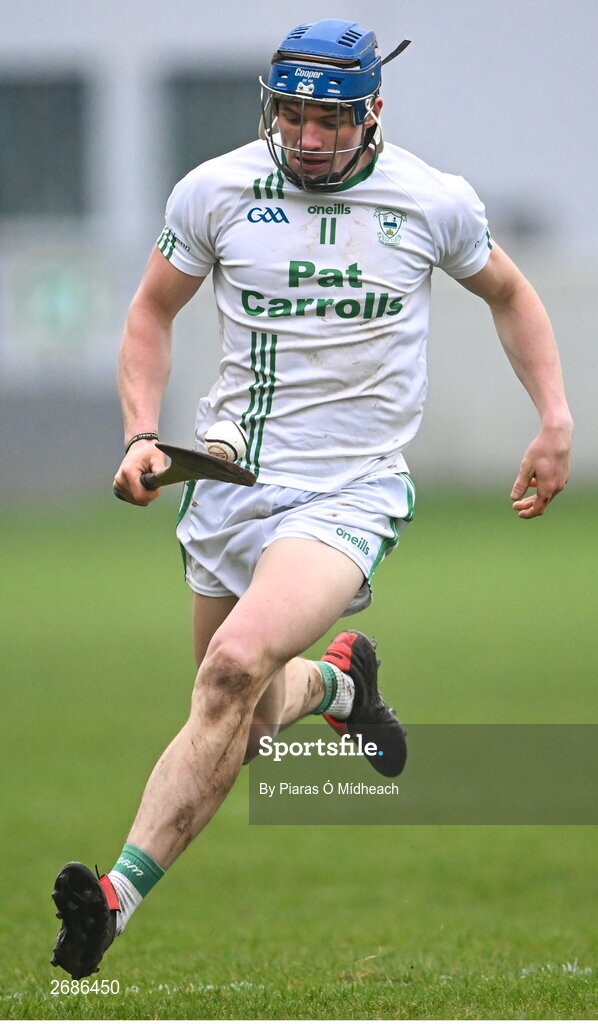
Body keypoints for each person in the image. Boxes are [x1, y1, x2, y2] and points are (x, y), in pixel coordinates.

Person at [50, 19, 573, 980]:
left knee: (231, 668)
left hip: (351, 488)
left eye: (328, 121)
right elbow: (151, 312)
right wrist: (137, 431)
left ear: (372, 113)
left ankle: (114, 901)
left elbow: (510, 294)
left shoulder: (431, 199)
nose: (307, 137)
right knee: (238, 722)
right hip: (229, 483)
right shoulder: (214, 189)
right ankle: (340, 685)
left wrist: (554, 419)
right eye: (291, 115)